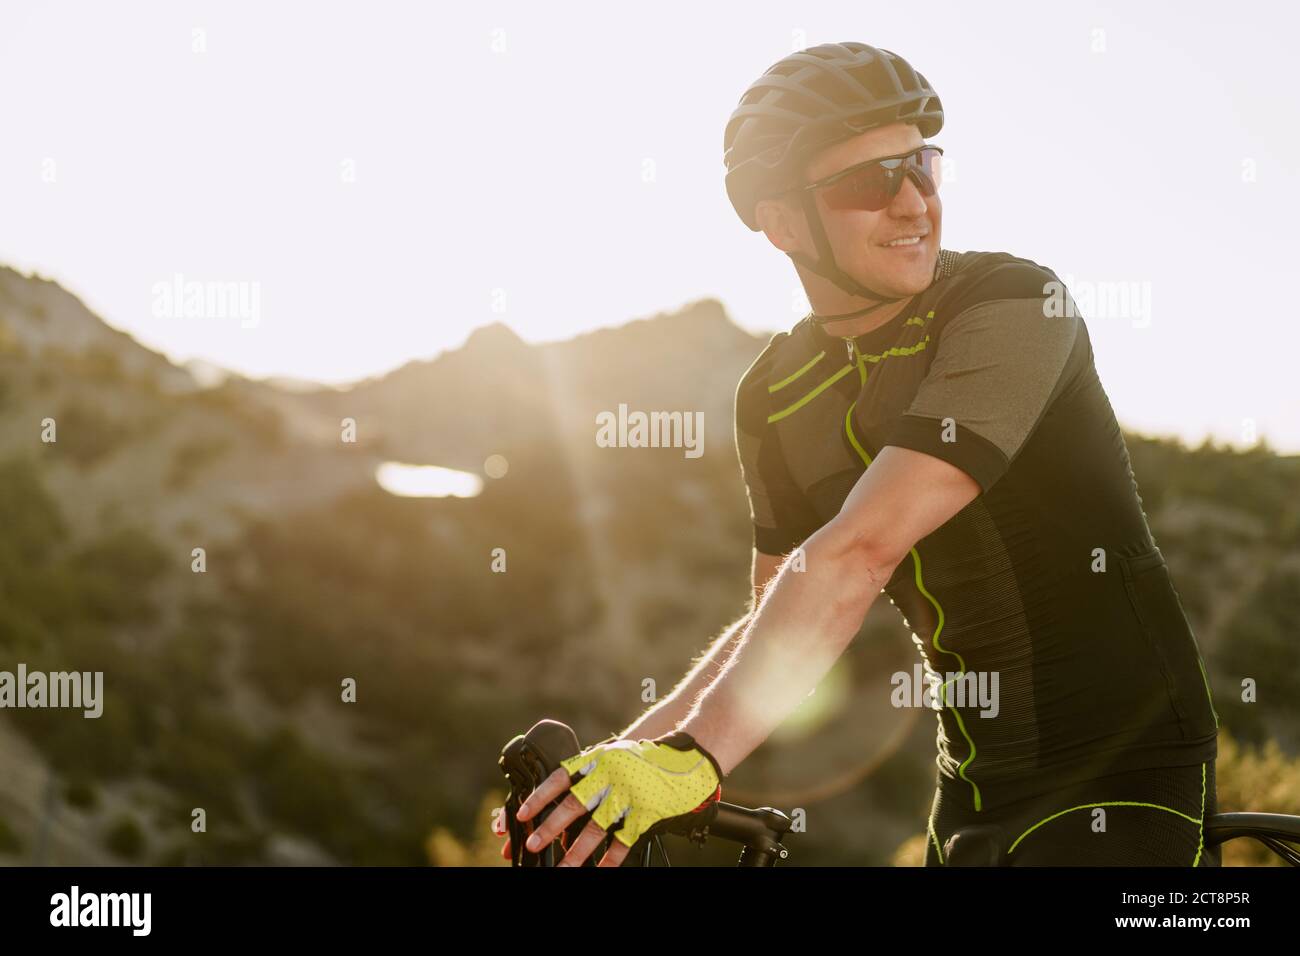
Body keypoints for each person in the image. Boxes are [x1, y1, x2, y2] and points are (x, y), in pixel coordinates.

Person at [498, 41, 1220, 866]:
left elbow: (858, 550)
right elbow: (778, 622)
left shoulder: (1013, 305)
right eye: (869, 182)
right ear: (780, 221)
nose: (913, 202)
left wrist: (696, 758)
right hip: (975, 785)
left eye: (923, 166)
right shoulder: (775, 395)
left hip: (1125, 773)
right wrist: (613, 776)